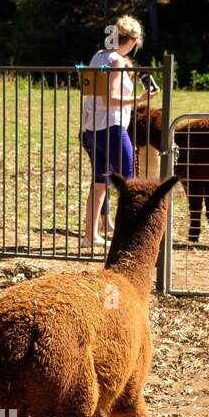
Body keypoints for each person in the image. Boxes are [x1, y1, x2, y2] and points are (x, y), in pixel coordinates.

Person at [80, 15, 158, 247]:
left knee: (99, 183)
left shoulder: (99, 56)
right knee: (130, 184)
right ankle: (129, 237)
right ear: (133, 40)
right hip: (111, 128)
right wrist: (140, 98)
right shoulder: (117, 61)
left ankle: (90, 235)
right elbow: (110, 100)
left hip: (91, 128)